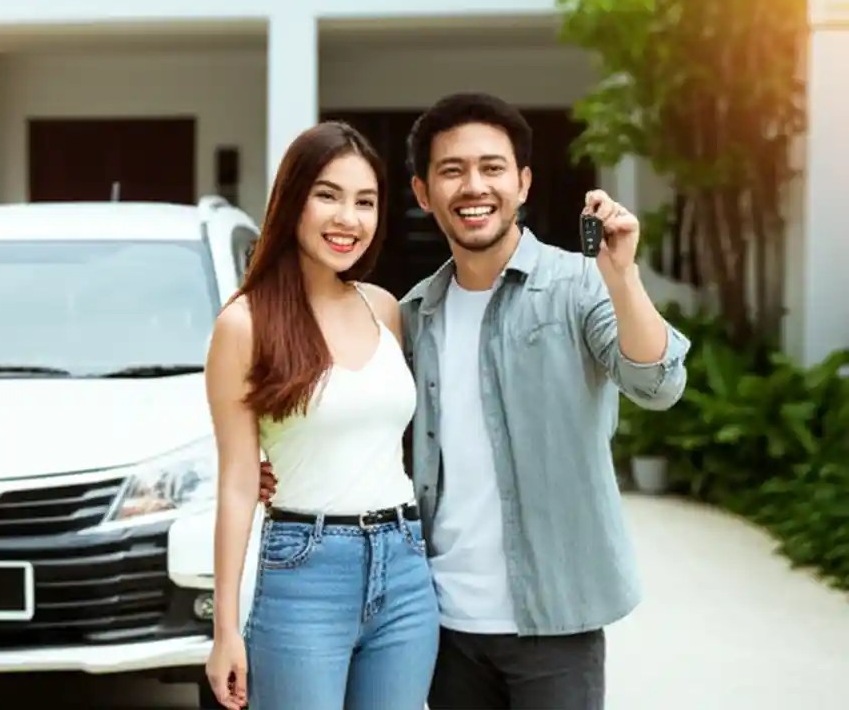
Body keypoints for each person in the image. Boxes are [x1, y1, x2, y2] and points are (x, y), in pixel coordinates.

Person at [259, 92, 691, 709]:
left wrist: (622, 276)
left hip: (555, 621)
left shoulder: (578, 285)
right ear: (422, 191)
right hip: (441, 620)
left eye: (492, 168)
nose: (473, 186)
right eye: (452, 170)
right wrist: (263, 456)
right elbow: (352, 413)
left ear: (522, 182)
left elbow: (659, 384)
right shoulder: (411, 313)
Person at [203, 120, 441, 710]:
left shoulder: (383, 308)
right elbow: (236, 482)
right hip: (304, 571)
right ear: (293, 201)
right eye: (328, 195)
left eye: (365, 202)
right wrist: (225, 630)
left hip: (406, 569)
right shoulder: (244, 325)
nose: (348, 219)